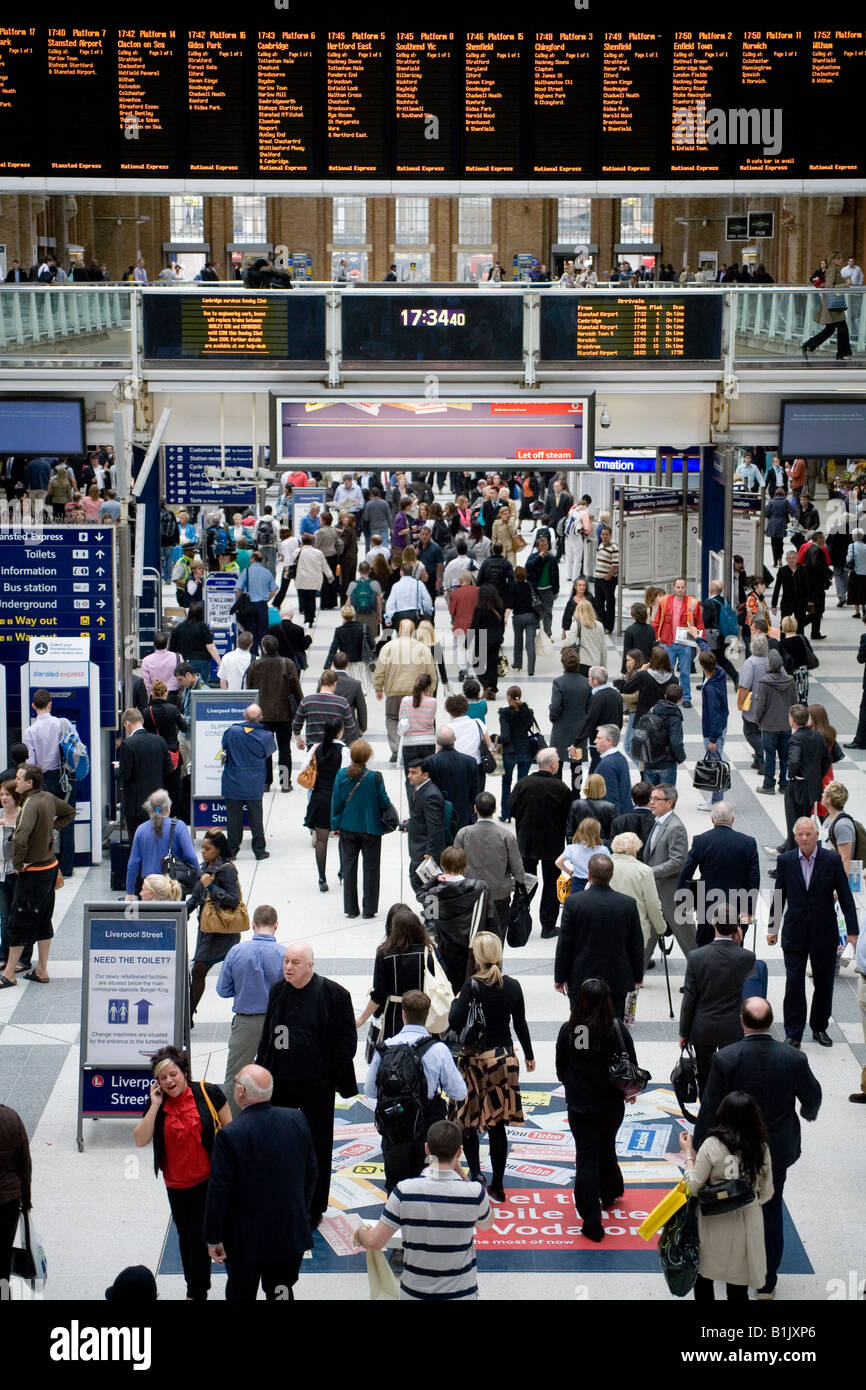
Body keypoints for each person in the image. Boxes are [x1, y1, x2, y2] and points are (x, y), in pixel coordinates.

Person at [694, 998, 822, 1299]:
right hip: (776, 1149)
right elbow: (812, 1096)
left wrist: (699, 1147)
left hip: (731, 1151)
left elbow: (710, 1107)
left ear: (742, 1021)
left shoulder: (726, 1058)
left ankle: (729, 1268)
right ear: (771, 1021)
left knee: (729, 1207)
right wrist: (807, 1113)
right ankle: (766, 1283)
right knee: (771, 1208)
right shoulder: (792, 1058)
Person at [256, 941, 357, 1226]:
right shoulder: (278, 992)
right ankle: (280, 1198)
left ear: (310, 966)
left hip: (317, 1085)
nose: (288, 967)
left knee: (318, 1146)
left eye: (295, 962)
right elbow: (269, 1037)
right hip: (283, 1082)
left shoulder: (334, 994)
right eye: (286, 961)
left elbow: (347, 1042)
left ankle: (314, 1207)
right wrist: (262, 1071)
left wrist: (326, 1071)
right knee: (279, 1144)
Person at [204, 1064, 316, 1302]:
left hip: (245, 1240)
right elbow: (311, 1172)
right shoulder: (296, 1119)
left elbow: (219, 1190)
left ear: (241, 1091)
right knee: (281, 1291)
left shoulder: (230, 1135)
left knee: (241, 1292)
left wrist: (214, 1237)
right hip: (288, 1233)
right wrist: (299, 1209)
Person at [353, 1118, 494, 1299]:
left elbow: (374, 1242)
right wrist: (462, 1175)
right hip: (462, 1294)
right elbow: (486, 1224)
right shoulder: (474, 1193)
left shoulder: (404, 1190)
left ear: (427, 1149)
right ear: (459, 1152)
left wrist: (359, 1233)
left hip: (415, 1294)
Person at [132, 1047, 231, 1302]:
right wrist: (154, 1106)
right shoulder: (158, 1103)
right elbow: (140, 1139)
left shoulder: (209, 1094)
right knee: (187, 1239)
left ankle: (216, 1289)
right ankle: (196, 1291)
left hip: (210, 1181)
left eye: (173, 1074)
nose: (169, 1081)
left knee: (209, 1235)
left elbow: (231, 1134)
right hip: (176, 1185)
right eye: (163, 1078)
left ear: (184, 1072)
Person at [449, 933, 535, 1200]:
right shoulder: (512, 986)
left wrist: (456, 999)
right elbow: (519, 1023)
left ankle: (475, 1174)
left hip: (474, 1062)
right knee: (499, 1126)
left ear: (478, 956)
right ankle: (498, 1184)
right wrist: (529, 1055)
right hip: (504, 1061)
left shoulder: (471, 985)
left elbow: (454, 1021)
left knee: (469, 1121)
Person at [555, 978, 640, 1242]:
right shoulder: (616, 1029)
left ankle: (592, 1221)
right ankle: (611, 1190)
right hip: (611, 1104)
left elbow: (561, 1070)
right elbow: (632, 1065)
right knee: (606, 1146)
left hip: (580, 1105)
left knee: (587, 1157)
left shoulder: (568, 1030)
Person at [768, 816, 858, 1047]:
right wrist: (772, 927)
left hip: (823, 932)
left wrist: (853, 933)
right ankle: (793, 1032)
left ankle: (819, 1027)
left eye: (809, 834)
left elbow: (846, 897)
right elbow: (779, 896)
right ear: (795, 836)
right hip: (795, 932)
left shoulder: (832, 860)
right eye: (800, 835)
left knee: (824, 983)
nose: (805, 838)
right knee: (794, 983)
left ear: (817, 836)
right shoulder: (786, 861)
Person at [365, 990, 467, 1192]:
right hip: (427, 1131)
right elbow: (459, 1092)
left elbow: (370, 1090)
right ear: (427, 1015)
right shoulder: (438, 1050)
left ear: (403, 1014)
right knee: (428, 1188)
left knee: (396, 1189)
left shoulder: (384, 1048)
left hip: (393, 1128)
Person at [679, 1092, 774, 1301]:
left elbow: (693, 1187)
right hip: (747, 1222)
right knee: (738, 1287)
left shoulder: (711, 1144)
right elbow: (767, 1192)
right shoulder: (761, 1147)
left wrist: (688, 1156)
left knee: (704, 1278)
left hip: (714, 1222)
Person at [216, 906, 287, 1119]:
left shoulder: (236, 951)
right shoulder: (285, 954)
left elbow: (223, 990)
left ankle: (232, 1125)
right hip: (279, 1025)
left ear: (253, 925)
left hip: (245, 1023)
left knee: (235, 1076)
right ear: (276, 925)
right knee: (280, 1071)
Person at [680, 906, 758, 1092]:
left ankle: (708, 1114)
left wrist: (684, 1031)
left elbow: (689, 999)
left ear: (713, 922)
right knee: (731, 1079)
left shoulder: (696, 957)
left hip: (703, 1027)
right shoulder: (747, 957)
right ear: (736, 927)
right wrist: (737, 945)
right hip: (732, 1027)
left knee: (706, 1080)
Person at [554, 854, 644, 1018]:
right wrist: (637, 976)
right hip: (616, 977)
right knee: (612, 1023)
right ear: (611, 875)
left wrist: (560, 977)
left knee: (581, 1023)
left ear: (589, 875)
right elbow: (635, 944)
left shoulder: (574, 902)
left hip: (581, 976)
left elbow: (565, 944)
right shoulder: (627, 904)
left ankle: (585, 1043)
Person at [676, 802, 760, 949]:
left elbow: (686, 872)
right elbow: (753, 880)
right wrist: (748, 911)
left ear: (712, 819)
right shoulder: (748, 843)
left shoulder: (701, 841)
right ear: (733, 819)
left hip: (707, 905)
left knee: (705, 946)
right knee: (736, 947)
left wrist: (682, 901)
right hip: (738, 907)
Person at [509, 747, 573, 938]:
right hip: (552, 844)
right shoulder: (561, 788)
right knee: (551, 883)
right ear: (553, 765)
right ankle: (548, 925)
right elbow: (568, 816)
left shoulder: (523, 784)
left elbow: (512, 808)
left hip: (527, 842)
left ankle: (519, 916)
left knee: (526, 880)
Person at [421, 847, 499, 991]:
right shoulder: (481, 888)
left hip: (446, 952)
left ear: (442, 866)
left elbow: (426, 908)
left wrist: (433, 880)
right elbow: (492, 921)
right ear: (465, 866)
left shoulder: (434, 893)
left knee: (450, 994)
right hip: (474, 951)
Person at [330, 740, 392, 919]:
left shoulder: (341, 775)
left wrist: (335, 826)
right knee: (371, 869)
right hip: (371, 828)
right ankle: (369, 909)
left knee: (349, 868)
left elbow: (336, 803)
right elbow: (384, 802)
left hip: (348, 828)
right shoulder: (374, 777)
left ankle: (351, 909)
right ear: (368, 757)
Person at [454, 791, 526, 941]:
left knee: (473, 938)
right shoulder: (506, 836)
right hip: (499, 894)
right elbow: (518, 870)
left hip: (470, 894)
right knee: (497, 938)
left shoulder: (463, 834)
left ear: (475, 809)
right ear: (494, 809)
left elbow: (454, 866)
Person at [23, 688, 76, 878]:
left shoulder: (30, 731)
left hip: (44, 780)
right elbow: (76, 748)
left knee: (43, 823)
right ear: (50, 704)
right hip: (66, 779)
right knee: (68, 819)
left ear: (33, 706)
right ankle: (68, 867)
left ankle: (46, 862)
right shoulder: (64, 723)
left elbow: (30, 763)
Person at [642, 783, 693, 965]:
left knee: (688, 941)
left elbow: (678, 861)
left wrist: (648, 872)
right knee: (647, 938)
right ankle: (634, 978)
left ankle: (701, 979)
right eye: (651, 798)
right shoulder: (659, 822)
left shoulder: (675, 827)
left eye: (656, 799)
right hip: (656, 893)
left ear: (669, 803)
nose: (651, 802)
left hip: (671, 895)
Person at [245, 635, 303, 793]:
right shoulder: (287, 664)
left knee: (265, 750)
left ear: (263, 648)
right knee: (285, 749)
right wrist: (301, 708)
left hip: (262, 715)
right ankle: (285, 783)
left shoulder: (255, 665)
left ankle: (266, 782)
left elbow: (249, 690)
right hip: (284, 714)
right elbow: (296, 690)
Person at [373, 620, 438, 761]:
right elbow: (431, 672)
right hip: (417, 692)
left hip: (394, 691)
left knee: (392, 718)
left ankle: (396, 749)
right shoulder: (423, 649)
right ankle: (412, 747)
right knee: (415, 718)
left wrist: (378, 687)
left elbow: (379, 670)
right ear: (413, 631)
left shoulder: (388, 647)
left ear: (399, 630)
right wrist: (430, 689)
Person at [124, 790, 197, 899]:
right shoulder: (179, 826)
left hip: (149, 888)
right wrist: (199, 878)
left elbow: (133, 863)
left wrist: (129, 892)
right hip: (172, 887)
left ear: (150, 808)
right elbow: (190, 856)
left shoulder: (141, 829)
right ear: (168, 808)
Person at [608, 832, 668, 960]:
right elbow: (652, 903)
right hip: (635, 928)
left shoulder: (603, 866)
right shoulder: (644, 871)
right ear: (635, 849)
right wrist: (661, 927)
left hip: (606, 926)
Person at [117, 708, 173, 840]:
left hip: (136, 806)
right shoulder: (160, 741)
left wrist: (117, 769)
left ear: (127, 723)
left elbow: (125, 774)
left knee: (137, 843)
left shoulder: (128, 744)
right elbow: (168, 769)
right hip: (157, 803)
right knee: (157, 840)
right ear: (141, 721)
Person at [652, 577, 704, 706]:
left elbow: (700, 624)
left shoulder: (693, 603)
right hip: (667, 642)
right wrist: (657, 636)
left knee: (685, 672)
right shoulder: (664, 601)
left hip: (685, 644)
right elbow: (657, 620)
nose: (680, 589)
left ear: (685, 588)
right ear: (674, 588)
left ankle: (686, 698)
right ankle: (669, 696)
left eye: (682, 587)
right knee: (667, 672)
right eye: (678, 587)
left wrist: (700, 642)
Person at [402, 758, 447, 896]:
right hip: (419, 848)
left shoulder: (430, 795)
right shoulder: (420, 789)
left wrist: (431, 853)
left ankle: (432, 914)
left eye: (414, 772)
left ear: (425, 775)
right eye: (409, 772)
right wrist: (411, 823)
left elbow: (435, 827)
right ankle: (430, 913)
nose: (409, 776)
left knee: (426, 886)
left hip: (424, 851)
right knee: (422, 884)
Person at [549, 647, 591, 788]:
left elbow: (555, 706)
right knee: (576, 767)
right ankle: (576, 795)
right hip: (578, 731)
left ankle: (558, 793)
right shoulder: (586, 682)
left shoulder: (558, 682)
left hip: (561, 729)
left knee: (557, 765)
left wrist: (553, 717)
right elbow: (589, 707)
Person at [423, 728, 478, 835]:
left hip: (439, 812)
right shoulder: (470, 761)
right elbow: (475, 789)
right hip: (464, 813)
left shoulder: (430, 761)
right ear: (455, 740)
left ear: (437, 742)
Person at [802, 251, 852, 360]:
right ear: (833, 260)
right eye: (839, 258)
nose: (841, 260)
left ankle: (808, 345)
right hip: (833, 304)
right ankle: (842, 353)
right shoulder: (832, 270)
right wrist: (845, 285)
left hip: (832, 303)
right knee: (842, 328)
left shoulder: (834, 270)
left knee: (830, 329)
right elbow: (829, 286)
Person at [696, 650, 729, 810]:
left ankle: (716, 801)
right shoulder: (719, 673)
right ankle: (716, 798)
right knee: (717, 762)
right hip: (722, 724)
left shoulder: (710, 689)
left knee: (716, 765)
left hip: (713, 731)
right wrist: (698, 639)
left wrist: (713, 739)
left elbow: (714, 714)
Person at [640, 681, 687, 787]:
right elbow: (676, 742)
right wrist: (681, 757)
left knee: (651, 797)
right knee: (666, 797)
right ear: (680, 699)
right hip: (666, 762)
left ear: (665, 695)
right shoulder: (674, 716)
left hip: (649, 760)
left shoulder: (652, 710)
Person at [582, 667, 624, 774]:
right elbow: (620, 718)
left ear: (595, 681)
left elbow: (590, 721)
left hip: (598, 740)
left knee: (596, 765)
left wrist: (577, 741)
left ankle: (591, 790)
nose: (588, 679)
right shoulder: (616, 694)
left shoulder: (597, 697)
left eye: (589, 677)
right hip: (612, 738)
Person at [556, 818, 612, 896]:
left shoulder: (572, 848)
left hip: (577, 883)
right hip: (597, 883)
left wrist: (569, 871)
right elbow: (611, 865)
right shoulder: (603, 850)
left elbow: (558, 862)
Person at [168, 602, 220, 683]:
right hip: (200, 662)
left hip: (183, 663)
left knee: (185, 689)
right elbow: (210, 647)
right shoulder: (202, 627)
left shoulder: (179, 627)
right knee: (200, 689)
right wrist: (219, 663)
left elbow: (172, 649)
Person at [468, 584, 505, 698]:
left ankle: (486, 684)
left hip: (483, 637)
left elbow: (474, 626)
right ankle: (492, 690)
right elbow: (502, 623)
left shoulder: (479, 608)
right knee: (492, 664)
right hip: (496, 637)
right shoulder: (499, 606)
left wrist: (467, 642)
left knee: (476, 662)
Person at [586, 724, 631, 816]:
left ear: (609, 741)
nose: (595, 741)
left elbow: (611, 797)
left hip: (614, 818)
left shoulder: (607, 764)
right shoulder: (621, 758)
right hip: (624, 813)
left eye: (599, 738)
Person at [565, 771, 617, 845]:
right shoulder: (610, 807)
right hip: (601, 849)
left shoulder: (576, 805)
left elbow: (570, 833)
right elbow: (614, 835)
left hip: (580, 847)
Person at [294, 533, 334, 627]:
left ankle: (308, 618)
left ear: (302, 542)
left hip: (303, 578)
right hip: (315, 579)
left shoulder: (298, 551)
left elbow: (292, 559)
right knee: (311, 598)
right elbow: (324, 565)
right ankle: (311, 616)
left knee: (305, 598)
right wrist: (329, 576)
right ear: (312, 542)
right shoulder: (318, 552)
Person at [525, 532, 559, 637]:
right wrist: (539, 558)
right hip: (536, 590)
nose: (544, 548)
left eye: (545, 545)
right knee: (536, 611)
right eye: (541, 546)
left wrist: (556, 590)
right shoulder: (533, 557)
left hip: (548, 589)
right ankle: (535, 631)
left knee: (548, 612)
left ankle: (547, 633)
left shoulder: (552, 558)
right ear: (538, 547)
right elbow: (528, 566)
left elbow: (556, 574)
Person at [593, 525, 619, 633]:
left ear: (610, 535)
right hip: (598, 578)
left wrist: (609, 575)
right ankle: (602, 624)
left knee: (609, 603)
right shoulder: (600, 545)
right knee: (598, 603)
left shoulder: (614, 547)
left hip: (608, 580)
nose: (604, 536)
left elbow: (615, 564)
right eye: (602, 534)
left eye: (606, 534)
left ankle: (609, 626)